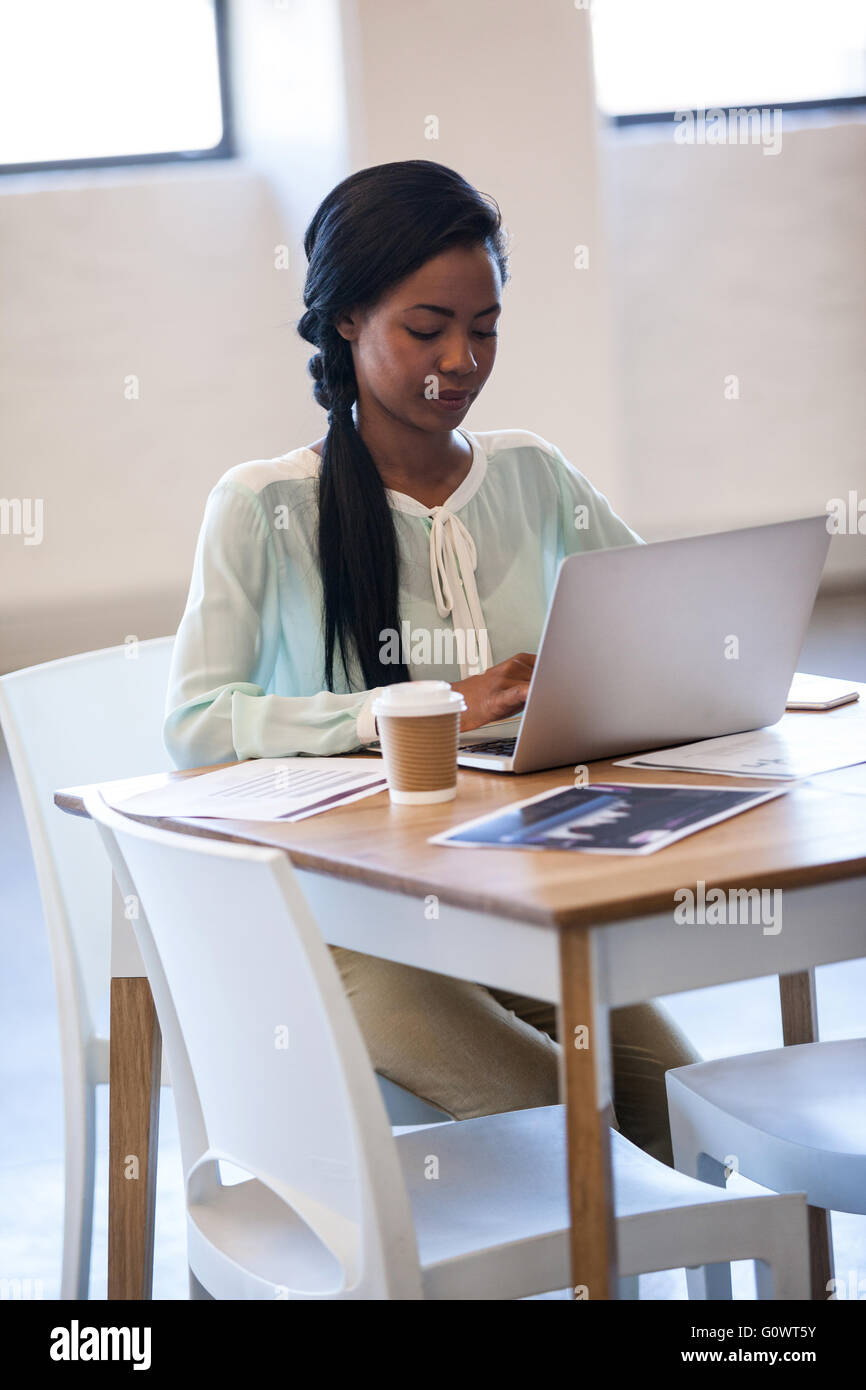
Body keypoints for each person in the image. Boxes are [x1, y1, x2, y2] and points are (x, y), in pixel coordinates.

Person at [163, 159, 700, 1164]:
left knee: (676, 1091)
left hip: (499, 892)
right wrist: (421, 706)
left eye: (484, 327)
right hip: (338, 921)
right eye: (426, 327)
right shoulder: (262, 504)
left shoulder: (534, 477)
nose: (460, 357)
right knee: (566, 1118)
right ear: (347, 320)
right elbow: (196, 725)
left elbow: (660, 620)